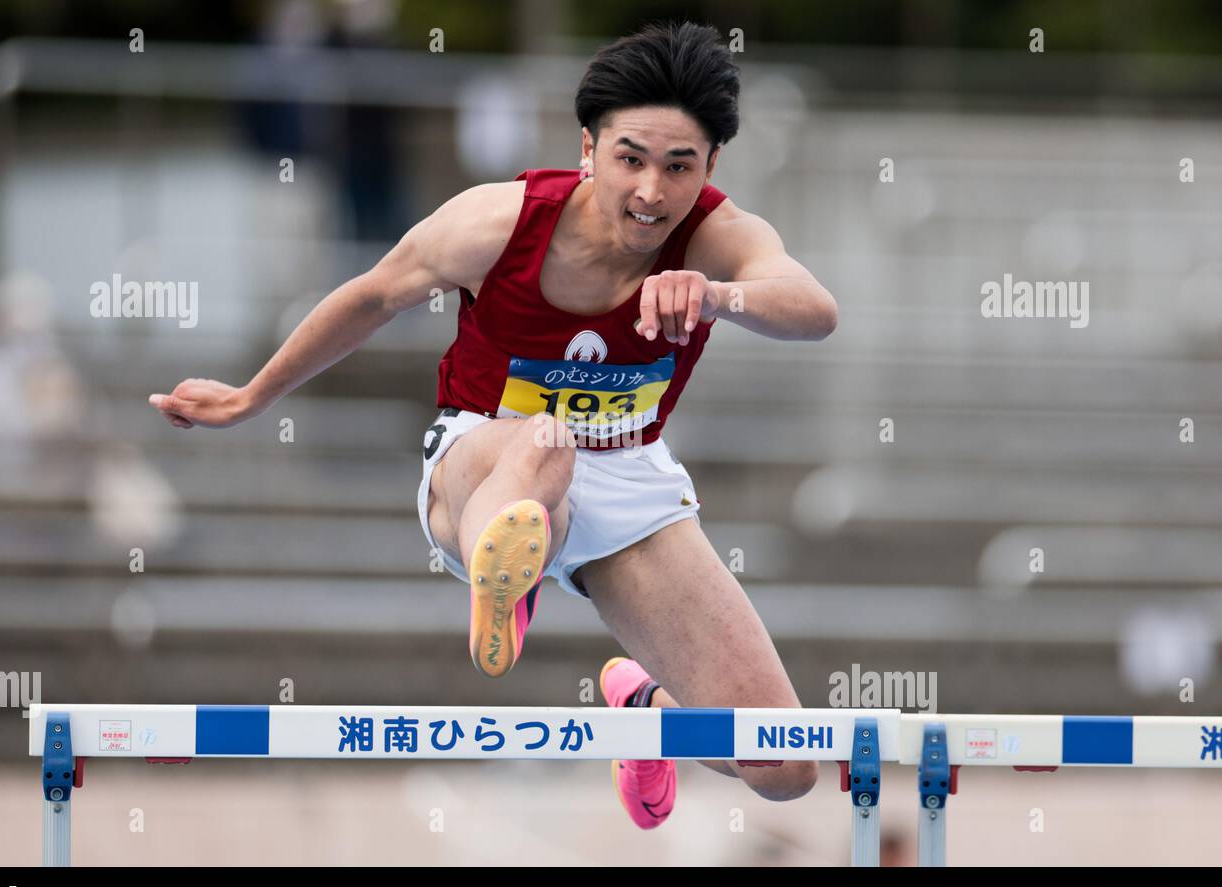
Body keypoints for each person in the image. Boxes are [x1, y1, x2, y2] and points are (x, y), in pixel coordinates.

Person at [149, 22, 838, 829]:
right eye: (630, 160)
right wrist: (250, 397)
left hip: (629, 481)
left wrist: (719, 294)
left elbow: (814, 310)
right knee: (545, 443)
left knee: (784, 763)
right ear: (588, 150)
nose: (651, 192)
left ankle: (641, 709)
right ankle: (503, 566)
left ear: (710, 167)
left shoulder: (718, 237)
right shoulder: (494, 222)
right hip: (481, 464)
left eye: (679, 167)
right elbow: (371, 296)